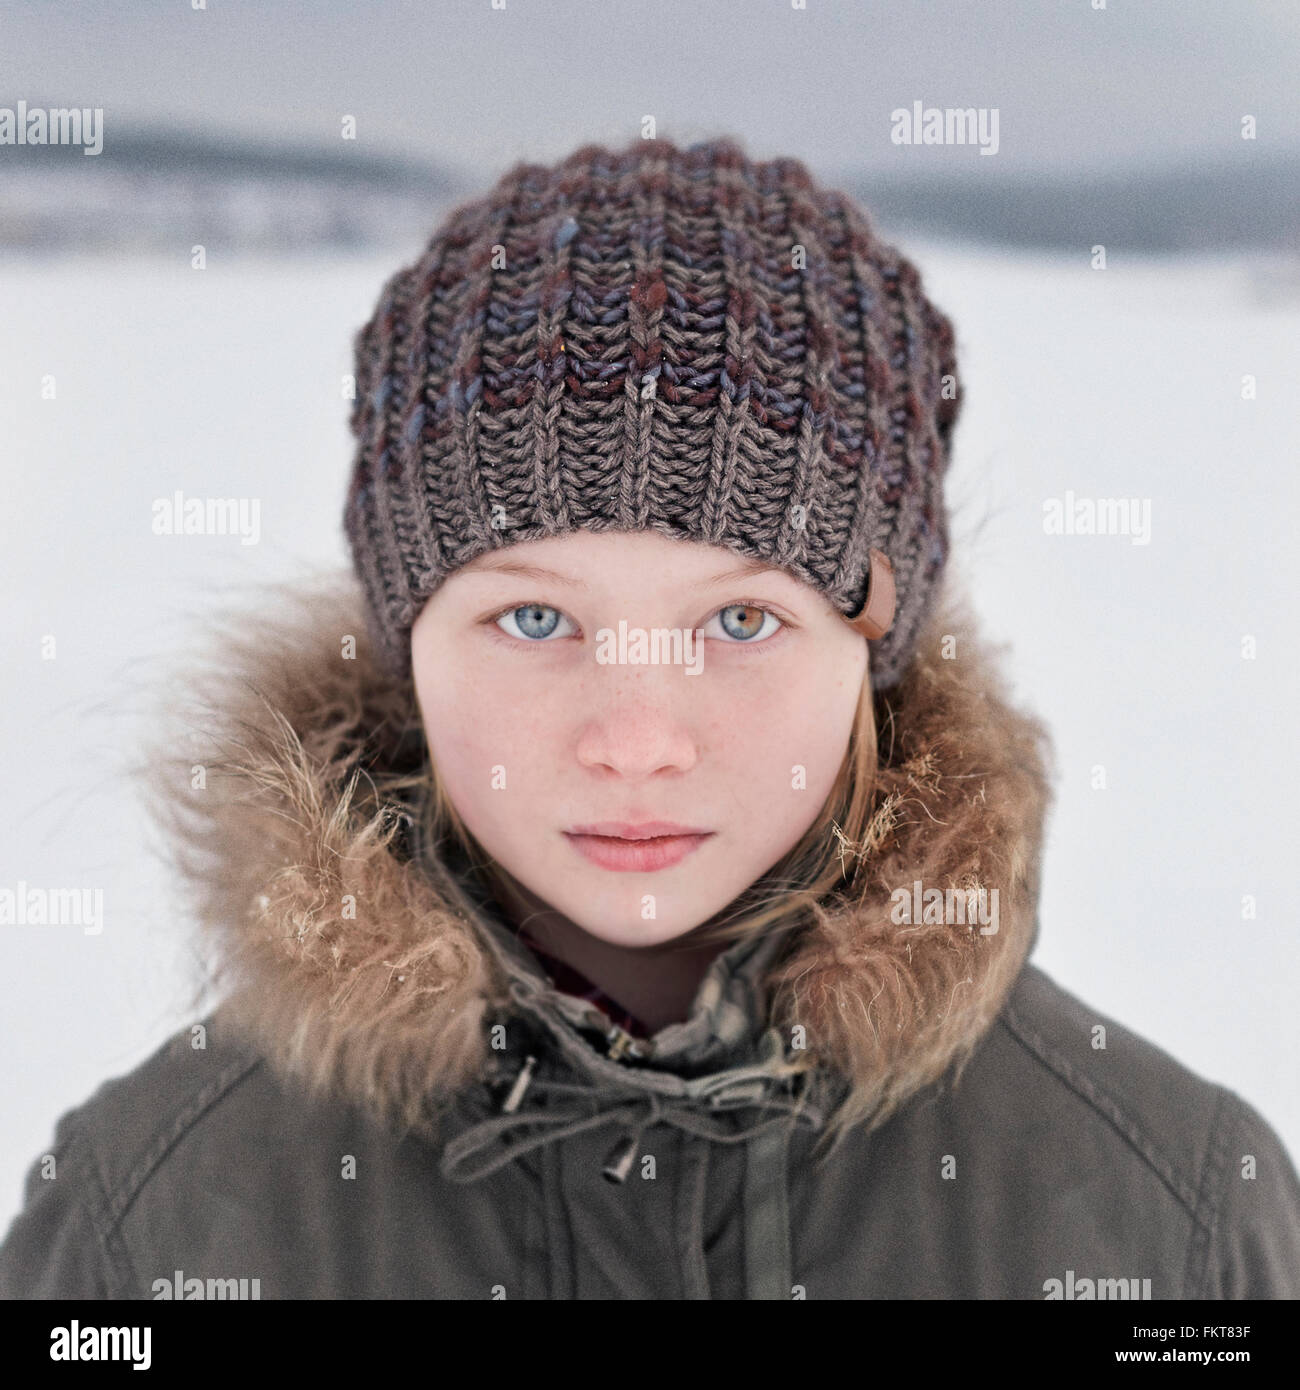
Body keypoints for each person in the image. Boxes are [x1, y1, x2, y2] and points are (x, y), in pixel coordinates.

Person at [2, 136, 1298, 1301]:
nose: (634, 738)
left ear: (873, 651)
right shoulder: (148, 1223)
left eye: (739, 622)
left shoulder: (1169, 1218)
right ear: (408, 645)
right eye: (534, 620)